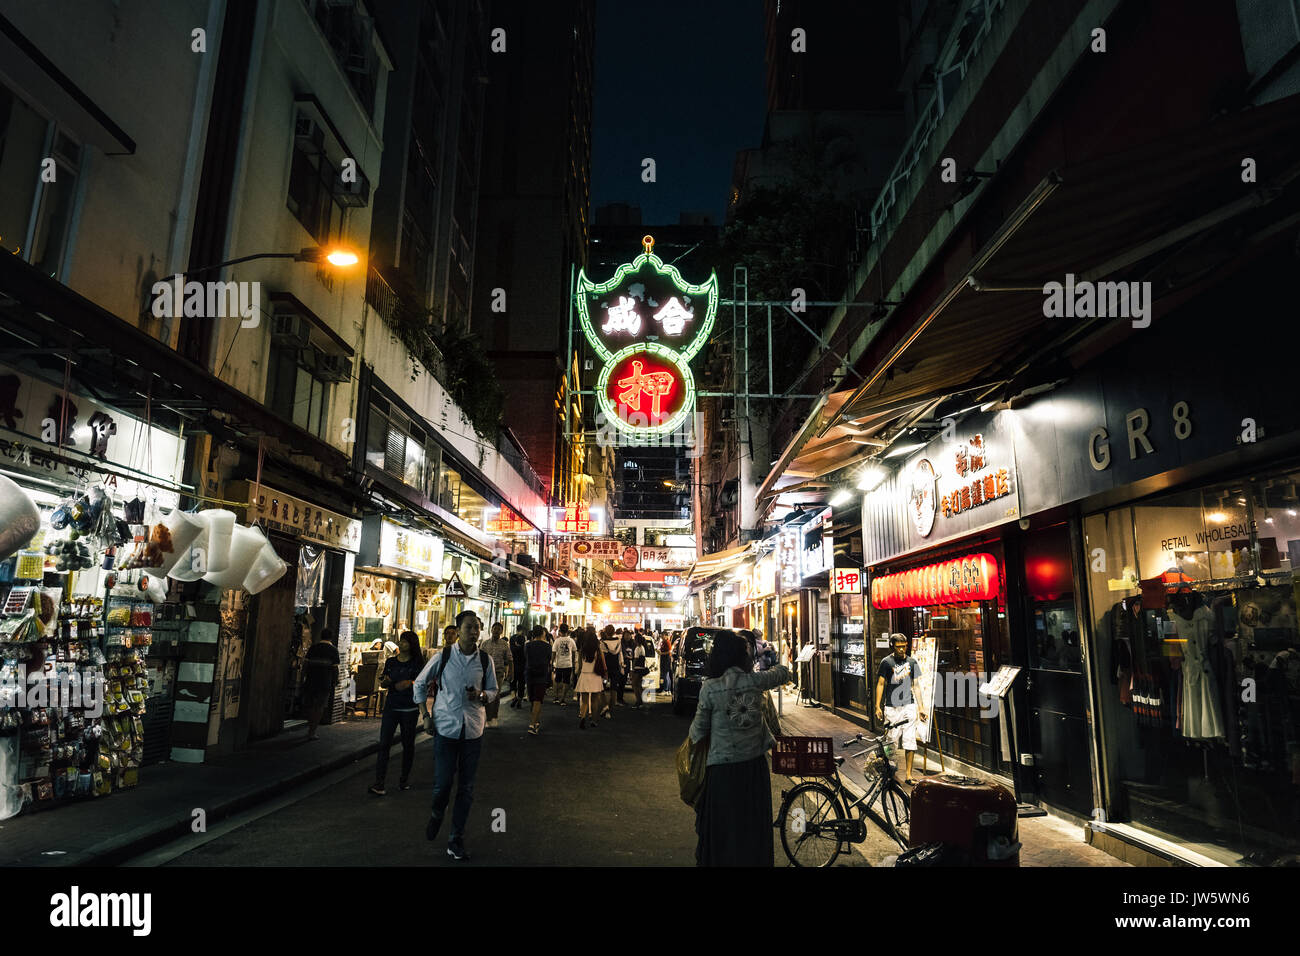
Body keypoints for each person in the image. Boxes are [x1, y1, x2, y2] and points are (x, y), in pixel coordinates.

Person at [688, 631, 790, 866]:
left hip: (722, 772)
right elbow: (784, 673)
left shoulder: (710, 688)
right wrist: (770, 658)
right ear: (742, 657)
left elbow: (697, 733)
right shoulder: (754, 681)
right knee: (753, 829)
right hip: (753, 769)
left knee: (725, 831)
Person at [413, 611, 498, 861]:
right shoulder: (444, 656)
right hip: (446, 728)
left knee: (467, 788)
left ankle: (455, 838)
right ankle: (437, 812)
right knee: (442, 784)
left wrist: (482, 696)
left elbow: (492, 690)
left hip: (472, 730)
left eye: (477, 627)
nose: (474, 632)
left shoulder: (485, 660)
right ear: (458, 630)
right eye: (469, 627)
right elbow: (419, 683)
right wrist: (425, 715)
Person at [369, 630, 425, 795]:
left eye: (405, 641)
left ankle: (404, 779)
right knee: (384, 744)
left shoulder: (417, 663)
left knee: (408, 745)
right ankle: (379, 783)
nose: (401, 644)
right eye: (401, 641)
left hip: (409, 708)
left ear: (412, 644)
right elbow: (385, 681)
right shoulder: (391, 662)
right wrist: (386, 682)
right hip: (391, 707)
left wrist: (410, 682)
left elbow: (422, 683)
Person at [874, 633, 927, 786]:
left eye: (904, 646)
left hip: (908, 705)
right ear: (892, 646)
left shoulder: (912, 662)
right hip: (891, 706)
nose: (902, 650)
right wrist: (878, 705)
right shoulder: (886, 662)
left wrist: (921, 707)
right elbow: (881, 684)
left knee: (910, 740)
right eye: (898, 647)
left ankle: (909, 774)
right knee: (891, 741)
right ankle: (891, 771)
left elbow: (916, 685)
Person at [301, 628, 339, 740]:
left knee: (310, 705)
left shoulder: (313, 648)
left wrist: (303, 678)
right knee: (319, 707)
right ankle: (312, 731)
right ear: (331, 637)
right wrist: (335, 681)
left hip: (311, 681)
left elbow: (305, 665)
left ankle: (310, 727)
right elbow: (335, 668)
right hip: (324, 682)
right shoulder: (333, 650)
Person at [479, 621, 512, 728]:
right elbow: (479, 658)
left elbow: (510, 659)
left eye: (499, 629)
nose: (496, 631)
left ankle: (494, 717)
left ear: (501, 631)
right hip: (485, 673)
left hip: (498, 672)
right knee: (486, 695)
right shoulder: (485, 644)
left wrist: (511, 672)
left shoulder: (504, 644)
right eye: (495, 628)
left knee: (496, 695)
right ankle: (487, 717)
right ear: (491, 630)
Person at [524, 625, 552, 736]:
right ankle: (533, 724)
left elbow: (525, 658)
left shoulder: (528, 645)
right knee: (538, 699)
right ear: (543, 634)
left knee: (533, 699)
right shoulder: (547, 646)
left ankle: (535, 721)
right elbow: (549, 660)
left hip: (530, 674)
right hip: (542, 675)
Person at [575, 629, 606, 729]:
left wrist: (579, 675)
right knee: (594, 700)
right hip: (595, 676)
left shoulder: (582, 650)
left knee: (584, 701)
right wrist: (605, 674)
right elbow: (604, 665)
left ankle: (583, 717)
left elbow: (579, 666)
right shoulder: (598, 650)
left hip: (584, 675)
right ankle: (593, 720)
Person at [551, 624, 577, 706]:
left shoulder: (557, 641)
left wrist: (552, 662)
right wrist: (572, 662)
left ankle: (556, 697)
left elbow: (554, 653)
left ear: (560, 631)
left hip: (559, 664)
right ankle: (563, 699)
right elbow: (573, 652)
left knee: (557, 680)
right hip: (568, 664)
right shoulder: (571, 641)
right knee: (566, 681)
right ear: (567, 631)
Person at [601, 626, 624, 711]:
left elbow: (601, 656)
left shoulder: (603, 643)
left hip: (605, 669)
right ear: (614, 632)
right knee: (613, 688)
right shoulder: (618, 642)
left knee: (602, 687)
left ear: (605, 632)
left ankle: (605, 706)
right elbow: (620, 654)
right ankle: (611, 708)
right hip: (615, 668)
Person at [629, 631, 650, 708]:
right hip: (641, 668)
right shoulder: (642, 647)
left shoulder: (638, 648)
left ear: (636, 640)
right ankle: (641, 701)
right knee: (639, 685)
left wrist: (632, 669)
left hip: (637, 668)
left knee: (634, 685)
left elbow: (636, 659)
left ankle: (638, 701)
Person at [509, 626, 528, 708]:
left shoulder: (512, 638)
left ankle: (514, 697)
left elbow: (510, 651)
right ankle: (519, 700)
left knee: (512, 682)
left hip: (513, 664)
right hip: (522, 665)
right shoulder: (524, 640)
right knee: (521, 684)